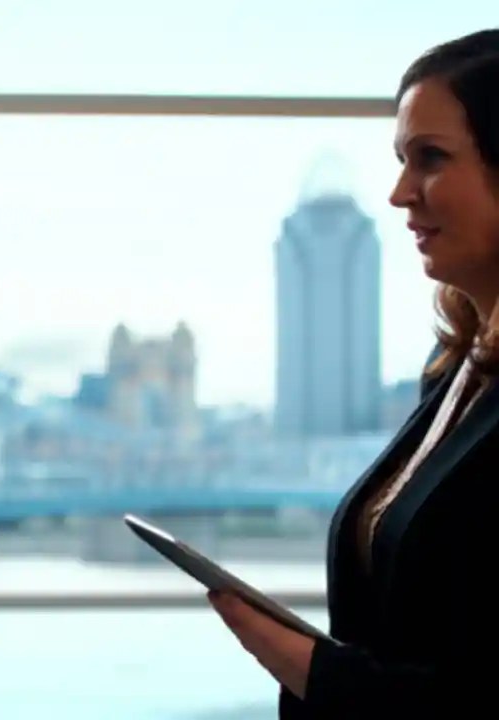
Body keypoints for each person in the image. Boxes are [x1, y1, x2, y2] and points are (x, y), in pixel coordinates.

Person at [207, 29, 499, 718]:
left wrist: (309, 666)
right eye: (401, 160)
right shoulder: (454, 370)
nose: (400, 193)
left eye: (429, 158)